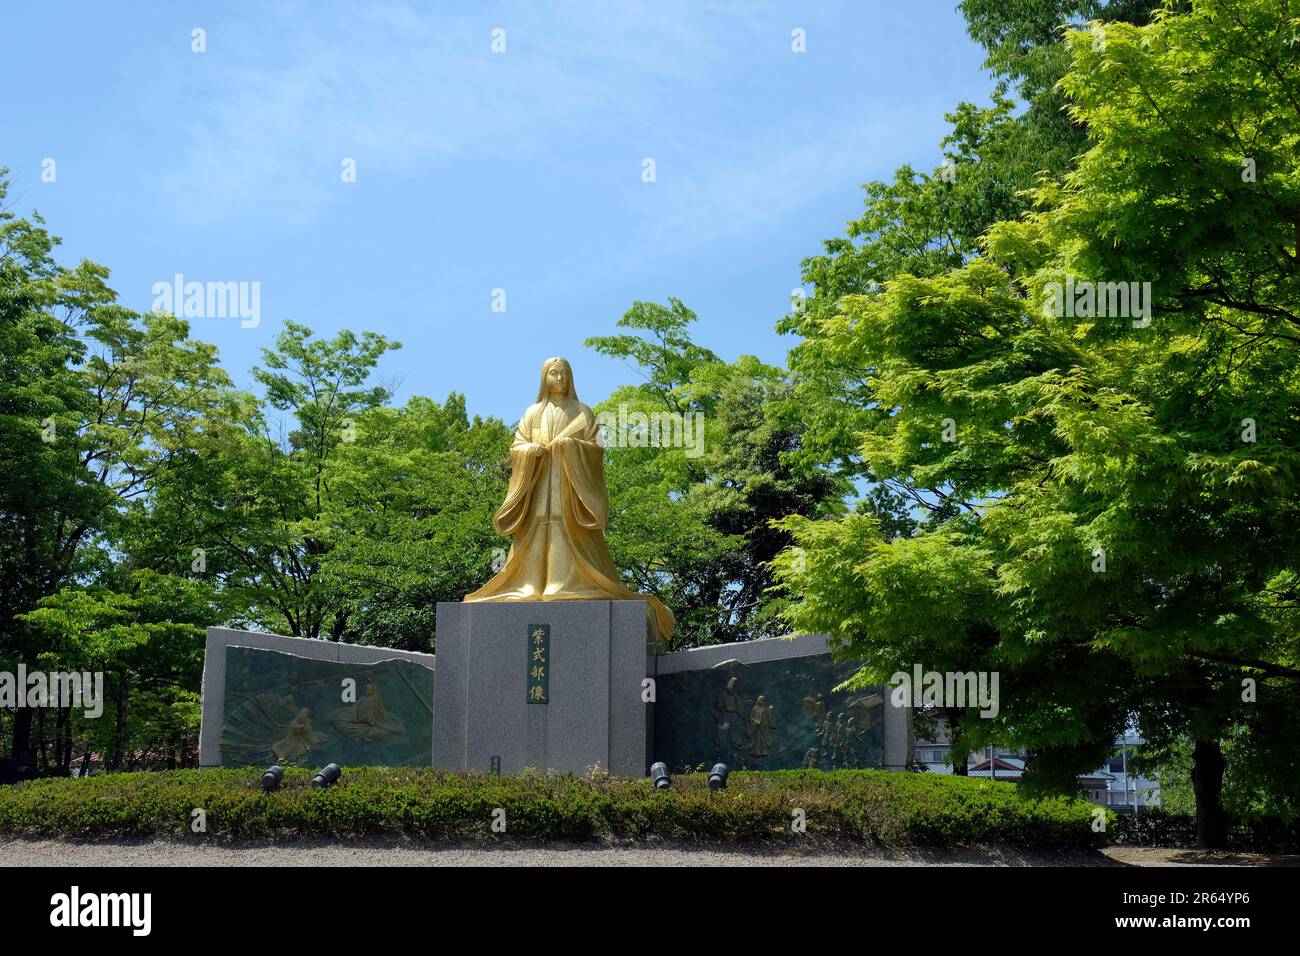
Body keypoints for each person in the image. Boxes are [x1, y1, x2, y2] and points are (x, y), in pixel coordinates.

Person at [465, 357, 675, 641]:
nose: (560, 378)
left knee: (566, 530)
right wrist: (530, 451)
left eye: (564, 373)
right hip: (539, 487)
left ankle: (565, 584)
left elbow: (596, 449)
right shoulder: (533, 413)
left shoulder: (583, 412)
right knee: (537, 528)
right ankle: (530, 585)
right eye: (554, 373)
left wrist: (572, 447)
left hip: (570, 490)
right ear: (544, 378)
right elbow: (517, 446)